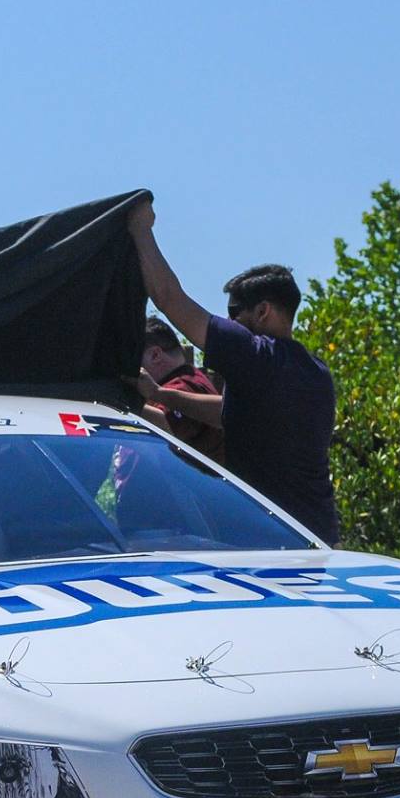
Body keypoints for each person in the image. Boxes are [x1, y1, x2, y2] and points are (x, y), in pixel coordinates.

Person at [127, 200, 340, 546]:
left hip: (271, 539)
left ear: (263, 311)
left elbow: (168, 297)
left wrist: (140, 229)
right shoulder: (314, 372)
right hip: (319, 534)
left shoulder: (256, 356)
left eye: (232, 313)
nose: (227, 322)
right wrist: (161, 395)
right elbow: (229, 413)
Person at [133, 317, 225, 461]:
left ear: (155, 355)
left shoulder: (183, 389)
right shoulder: (188, 380)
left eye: (131, 356)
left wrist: (119, 399)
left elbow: (160, 429)